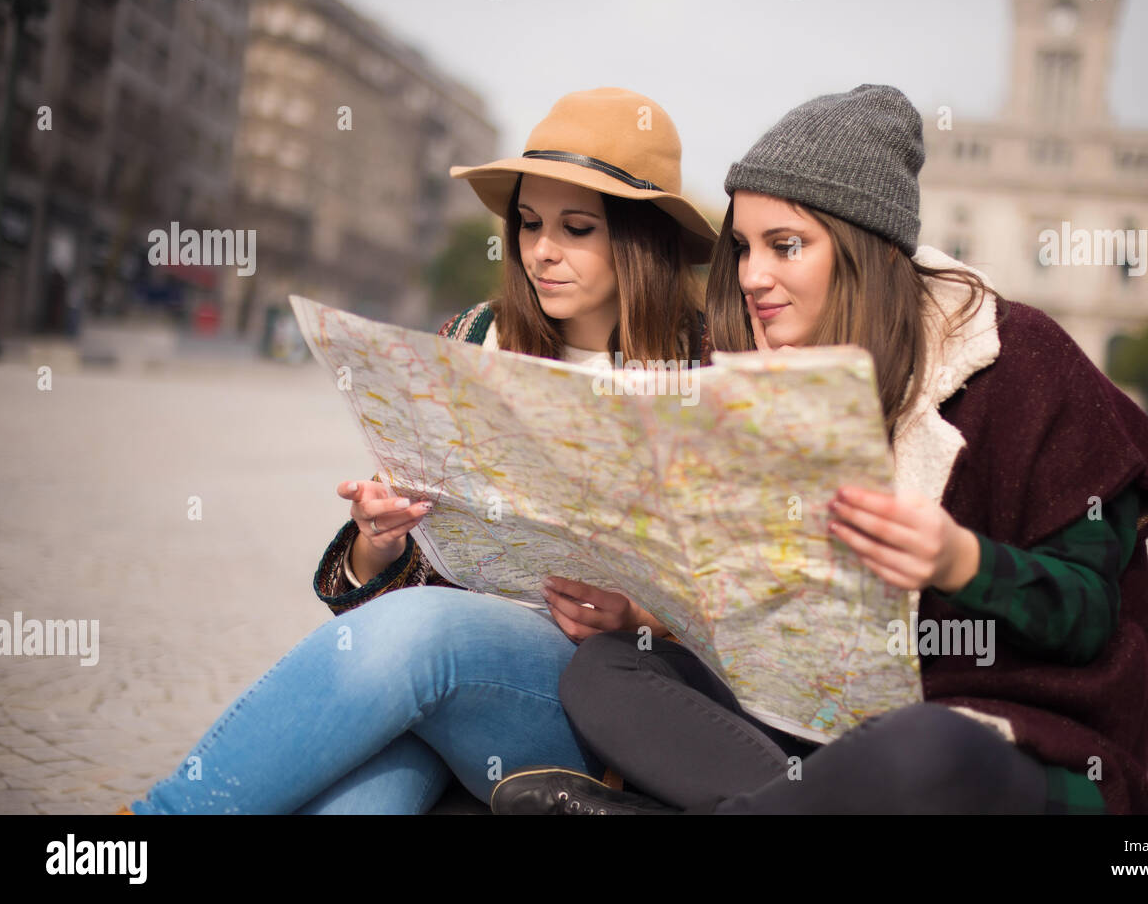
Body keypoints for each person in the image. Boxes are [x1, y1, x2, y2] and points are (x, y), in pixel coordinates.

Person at [490, 83, 1148, 815]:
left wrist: (960, 560)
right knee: (607, 669)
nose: (751, 275)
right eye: (742, 247)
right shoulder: (759, 369)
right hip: (813, 728)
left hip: (1003, 745)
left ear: (862, 248)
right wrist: (652, 613)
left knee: (919, 745)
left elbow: (1088, 616)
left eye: (786, 246)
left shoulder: (1024, 361)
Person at [127, 88, 715, 814]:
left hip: (599, 708)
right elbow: (413, 566)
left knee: (422, 634)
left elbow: (746, 613)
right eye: (528, 223)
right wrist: (379, 536)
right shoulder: (472, 338)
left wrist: (641, 620)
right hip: (446, 679)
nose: (541, 251)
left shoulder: (710, 368)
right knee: (360, 798)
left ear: (640, 236)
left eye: (576, 228)